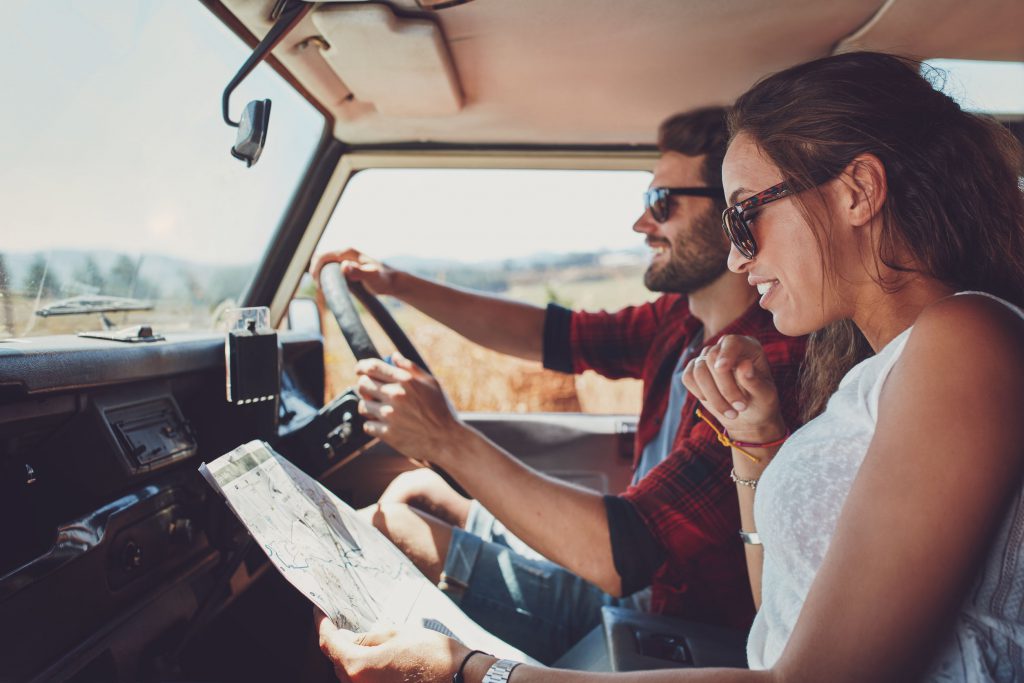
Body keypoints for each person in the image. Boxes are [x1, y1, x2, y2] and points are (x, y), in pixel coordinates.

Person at [317, 51, 1024, 682]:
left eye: (745, 216)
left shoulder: (961, 339)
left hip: (675, 622)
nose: (739, 256)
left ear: (857, 192)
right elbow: (777, 599)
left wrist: (474, 672)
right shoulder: (868, 366)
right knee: (408, 503)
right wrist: (756, 444)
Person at [314, 107, 807, 663]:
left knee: (382, 530)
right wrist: (397, 283)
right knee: (409, 493)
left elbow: (626, 557)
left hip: (659, 612)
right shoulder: (680, 320)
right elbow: (550, 334)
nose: (642, 225)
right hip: (635, 573)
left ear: (730, 214)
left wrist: (446, 437)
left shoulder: (760, 365)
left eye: (661, 204)